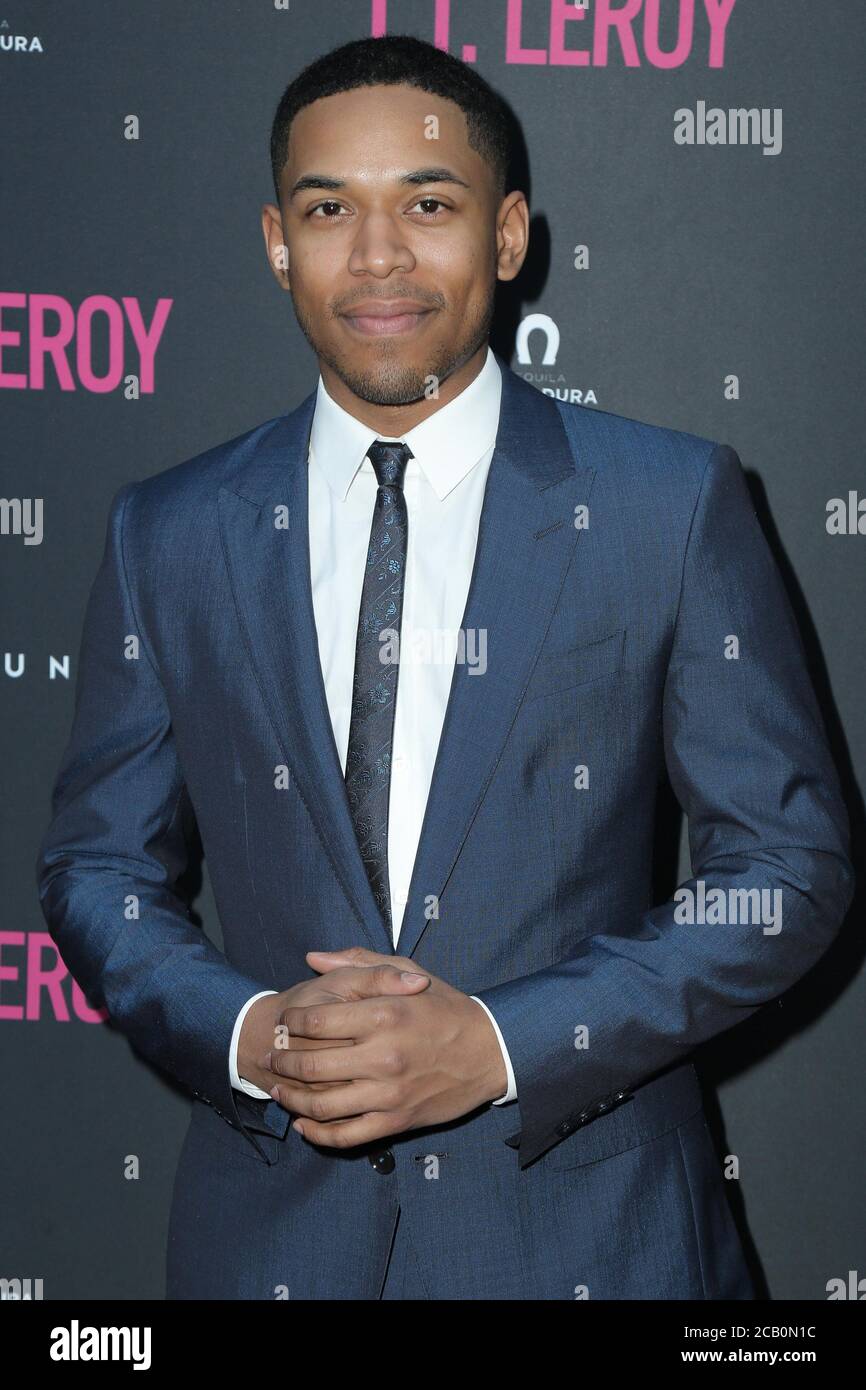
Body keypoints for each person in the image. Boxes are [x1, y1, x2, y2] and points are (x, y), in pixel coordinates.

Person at [36, 34, 853, 1301]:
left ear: (509, 232)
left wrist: (499, 1042)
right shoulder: (171, 528)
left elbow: (787, 869)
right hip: (267, 1252)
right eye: (328, 210)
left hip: (600, 1245)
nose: (375, 258)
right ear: (273, 240)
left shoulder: (665, 502)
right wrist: (252, 1033)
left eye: (426, 204)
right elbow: (98, 867)